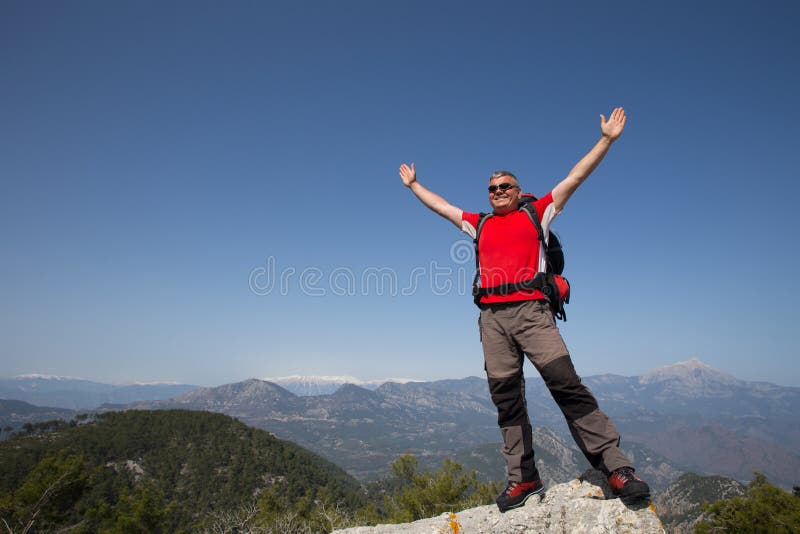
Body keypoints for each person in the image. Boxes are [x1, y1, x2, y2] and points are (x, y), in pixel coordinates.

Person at [398, 107, 650, 512]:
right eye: (492, 188)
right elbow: (442, 207)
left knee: (567, 387)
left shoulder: (537, 213)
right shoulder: (478, 224)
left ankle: (616, 467)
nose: (497, 192)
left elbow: (575, 177)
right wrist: (414, 186)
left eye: (504, 186)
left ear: (518, 190)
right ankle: (523, 478)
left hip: (532, 313)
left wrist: (606, 140)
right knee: (507, 401)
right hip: (492, 321)